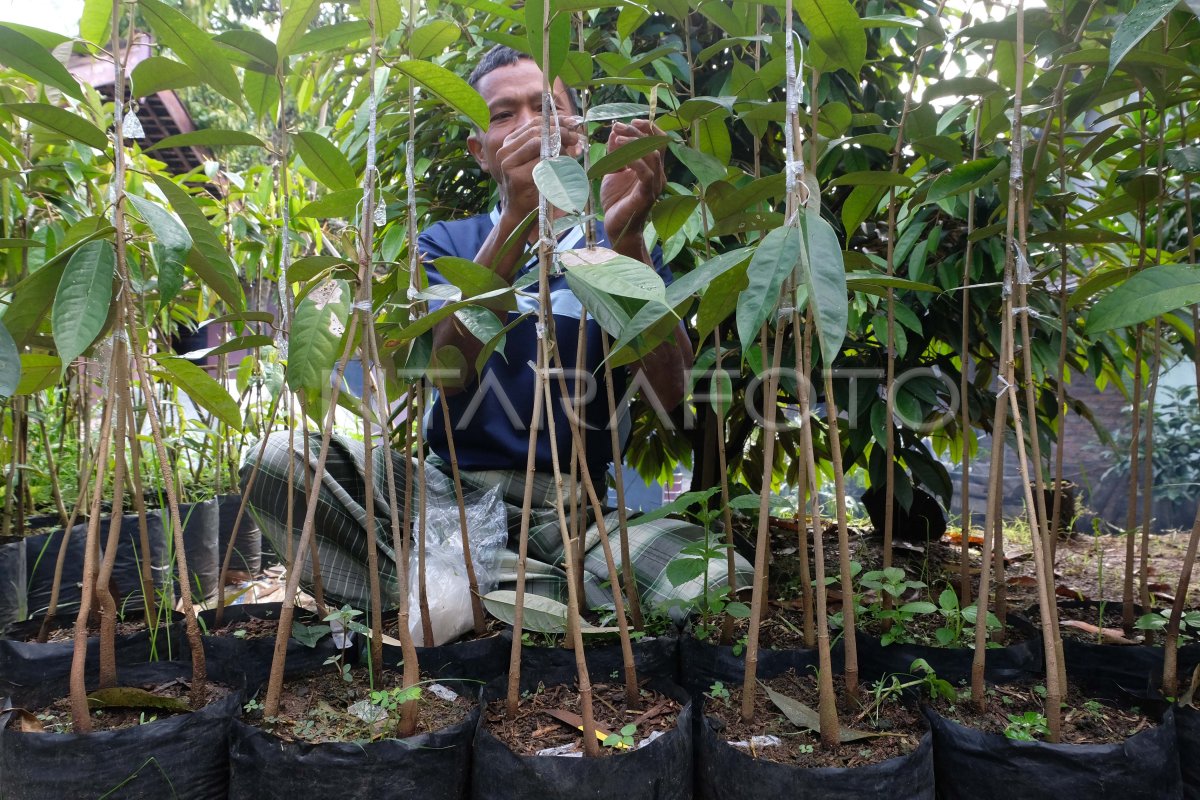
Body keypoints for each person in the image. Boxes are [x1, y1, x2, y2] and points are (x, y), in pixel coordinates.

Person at [241, 45, 751, 641]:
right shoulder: (446, 243)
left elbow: (674, 396)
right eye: (504, 115)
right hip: (445, 498)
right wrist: (515, 221)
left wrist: (627, 242)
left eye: (546, 109)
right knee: (276, 464)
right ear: (479, 151)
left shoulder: (619, 243)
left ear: (578, 134)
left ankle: (483, 593)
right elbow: (447, 372)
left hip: (579, 509)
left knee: (720, 581)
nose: (530, 126)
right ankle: (534, 596)